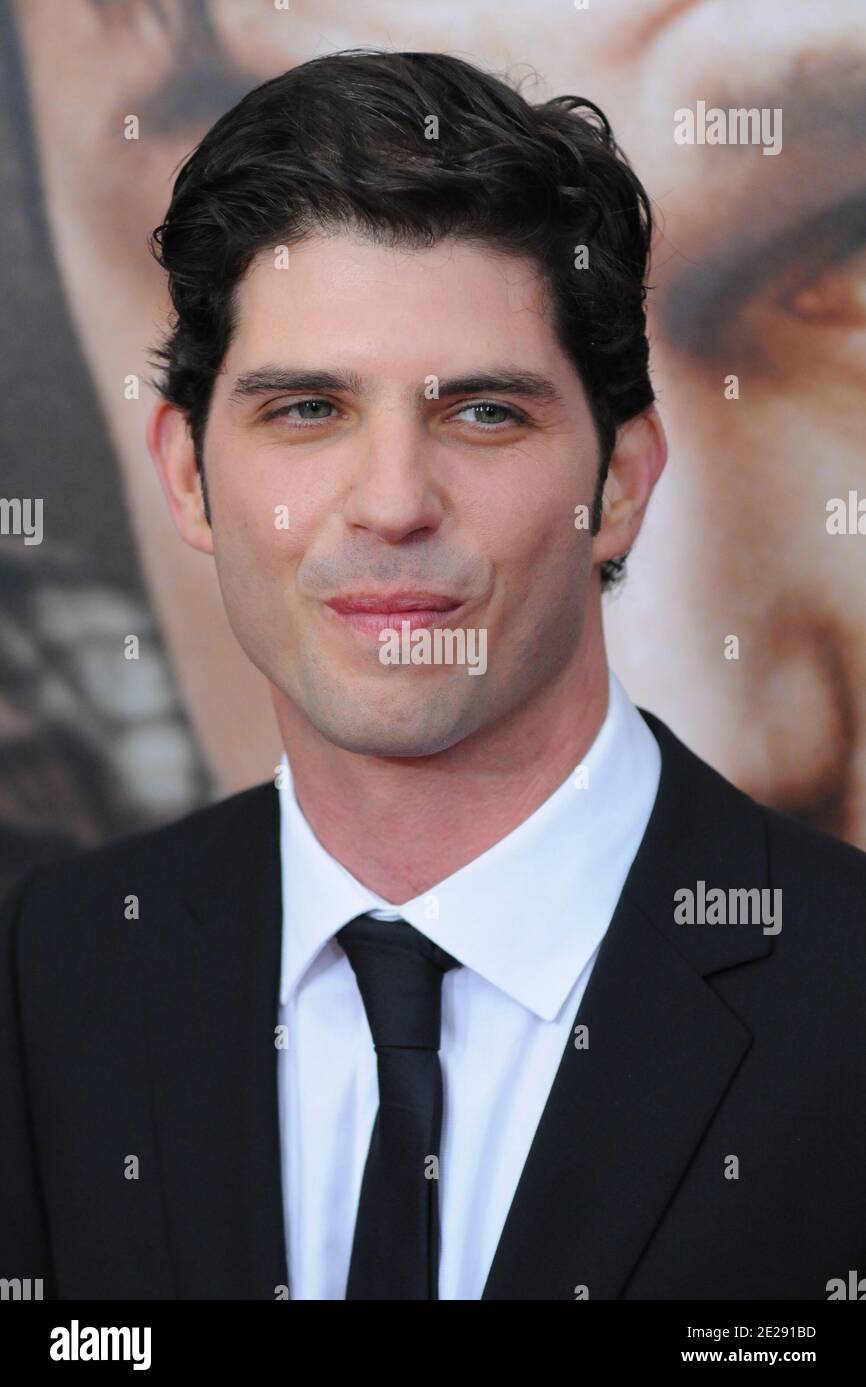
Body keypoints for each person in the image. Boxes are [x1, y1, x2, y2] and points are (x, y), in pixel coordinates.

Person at [2, 48, 865, 1302]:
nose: (393, 504)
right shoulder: (49, 980)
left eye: (482, 413)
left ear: (616, 484)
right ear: (188, 476)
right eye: (306, 410)